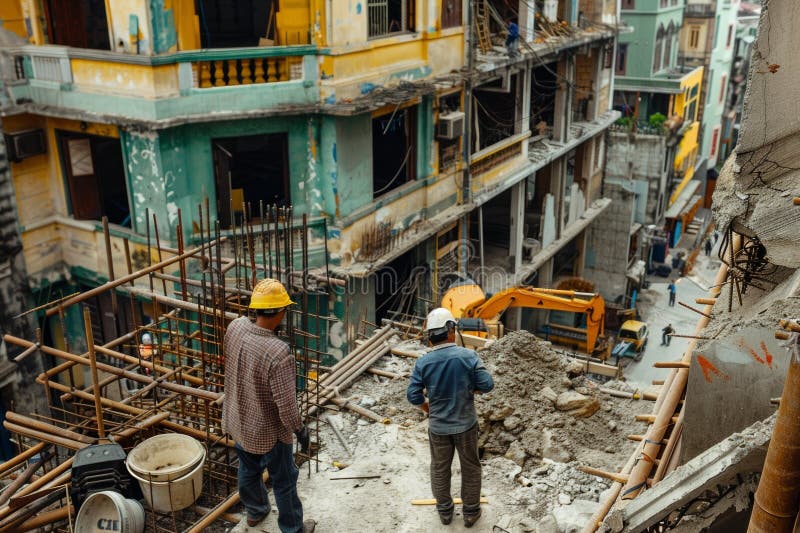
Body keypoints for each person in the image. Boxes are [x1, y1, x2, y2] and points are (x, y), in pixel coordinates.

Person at [223, 279, 315, 533]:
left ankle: (256, 511)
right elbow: (286, 407)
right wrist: (300, 430)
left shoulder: (235, 327)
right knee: (284, 480)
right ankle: (293, 528)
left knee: (248, 469)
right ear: (279, 312)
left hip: (238, 420)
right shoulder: (277, 351)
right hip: (268, 433)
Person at [407, 308, 494, 528]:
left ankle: (445, 512)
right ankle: (471, 513)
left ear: (430, 335)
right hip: (466, 425)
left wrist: (427, 408)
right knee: (471, 467)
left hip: (438, 427)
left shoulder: (423, 362)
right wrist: (469, 389)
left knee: (439, 468)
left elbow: (413, 395)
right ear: (450, 330)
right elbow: (487, 384)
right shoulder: (468, 356)